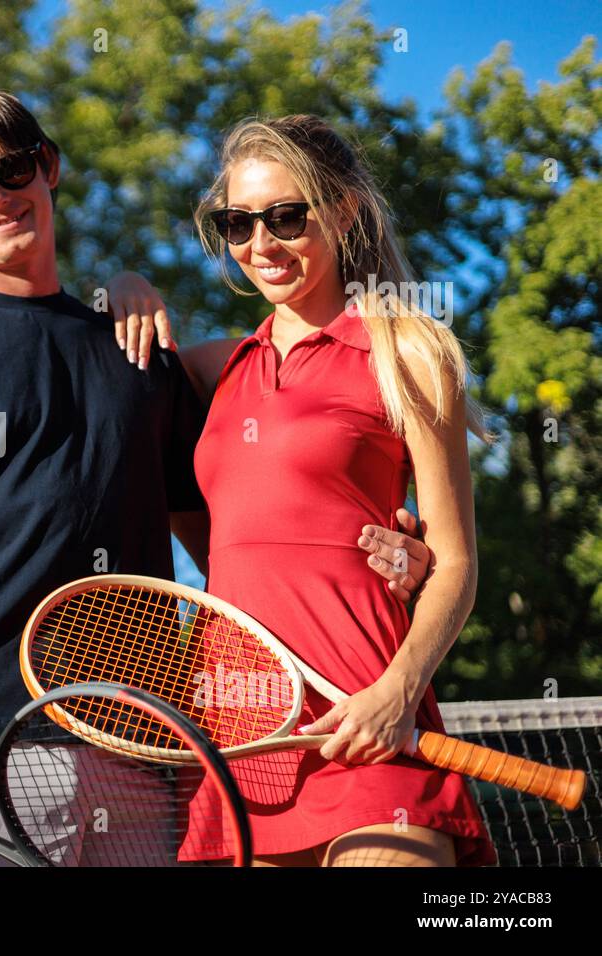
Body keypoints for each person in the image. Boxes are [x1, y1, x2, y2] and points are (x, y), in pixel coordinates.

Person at [0, 88, 428, 866]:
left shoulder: (141, 355)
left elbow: (236, 537)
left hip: (141, 749)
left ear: (50, 168)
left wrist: (374, 558)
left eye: (13, 169)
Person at [106, 114, 496, 866]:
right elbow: (118, 370)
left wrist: (397, 692)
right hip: (238, 731)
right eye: (237, 223)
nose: (262, 244)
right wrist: (125, 287)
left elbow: (453, 561)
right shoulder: (213, 368)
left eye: (287, 216)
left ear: (343, 210)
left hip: (367, 715)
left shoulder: (407, 350)